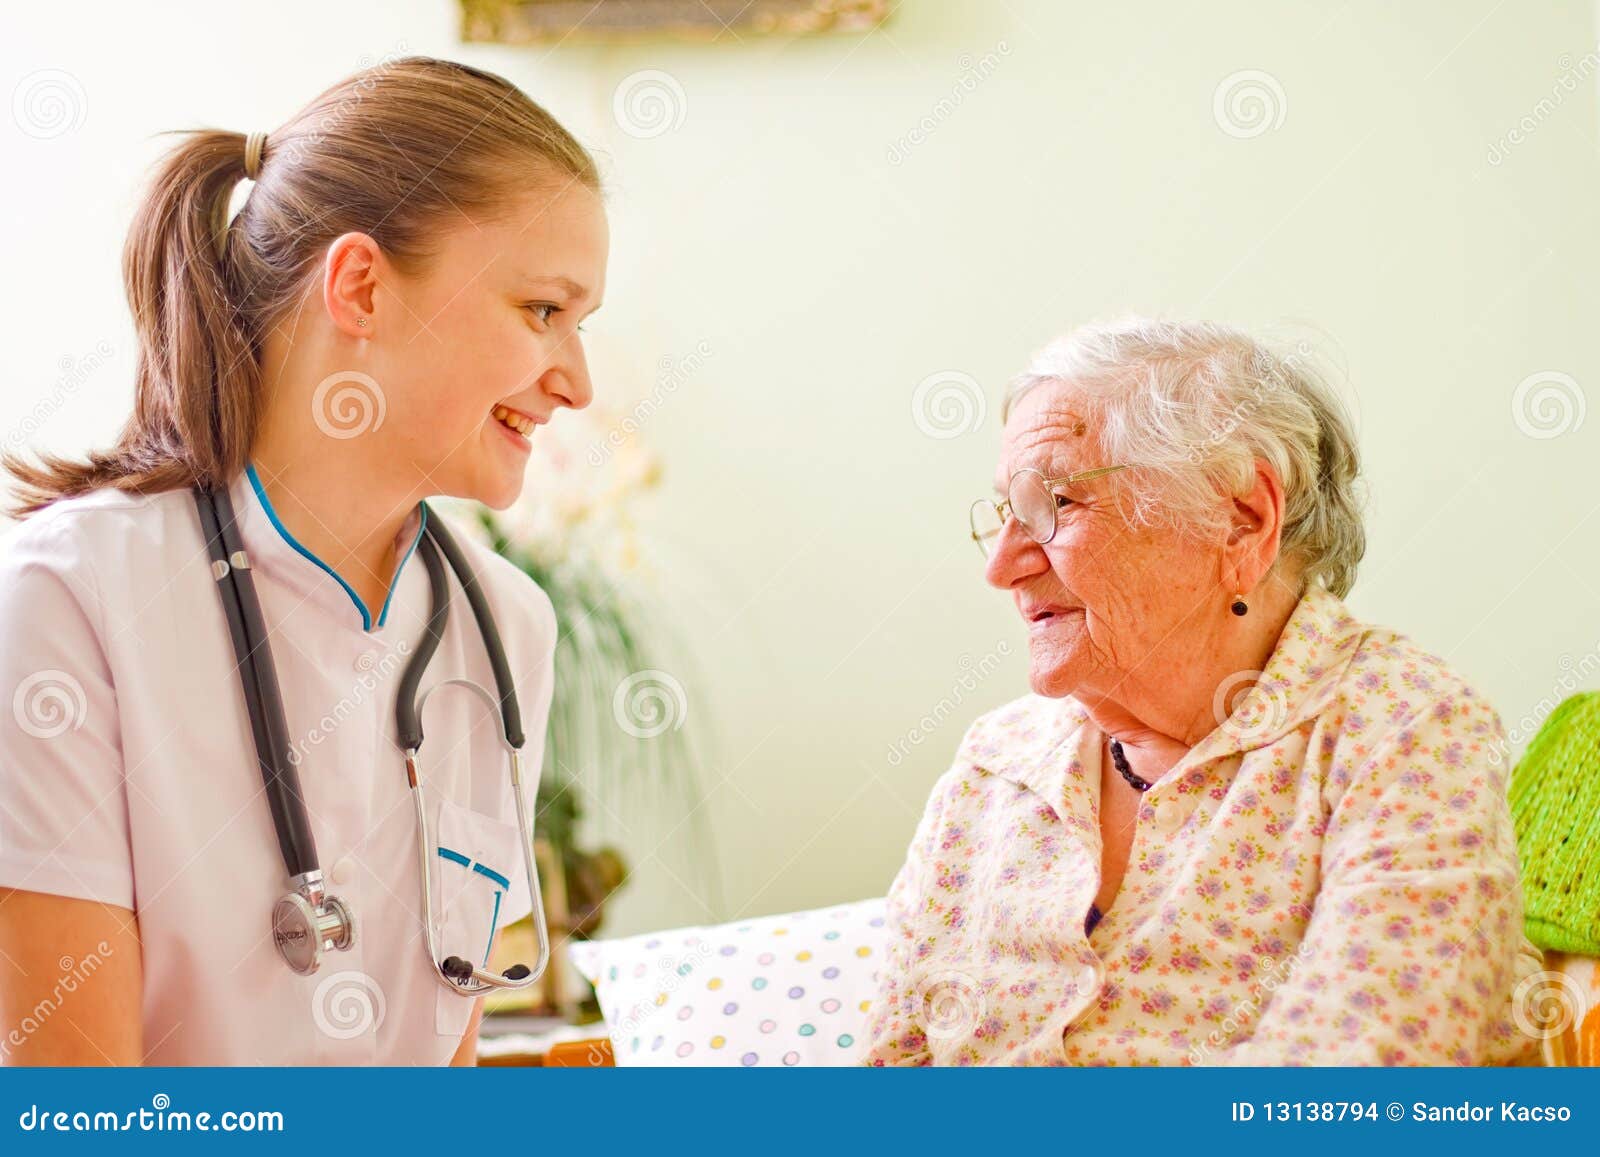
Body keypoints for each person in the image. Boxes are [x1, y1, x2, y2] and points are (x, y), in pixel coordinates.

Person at [0, 56, 608, 1065]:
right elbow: (78, 1109)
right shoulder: (69, 599)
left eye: (581, 325)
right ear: (360, 285)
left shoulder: (506, 628)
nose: (576, 381)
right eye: (543, 310)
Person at [860, 317, 1546, 1066]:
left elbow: (1359, 1094)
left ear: (1242, 521)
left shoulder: (1404, 730)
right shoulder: (997, 764)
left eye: (1052, 504)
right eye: (1006, 513)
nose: (1002, 565)